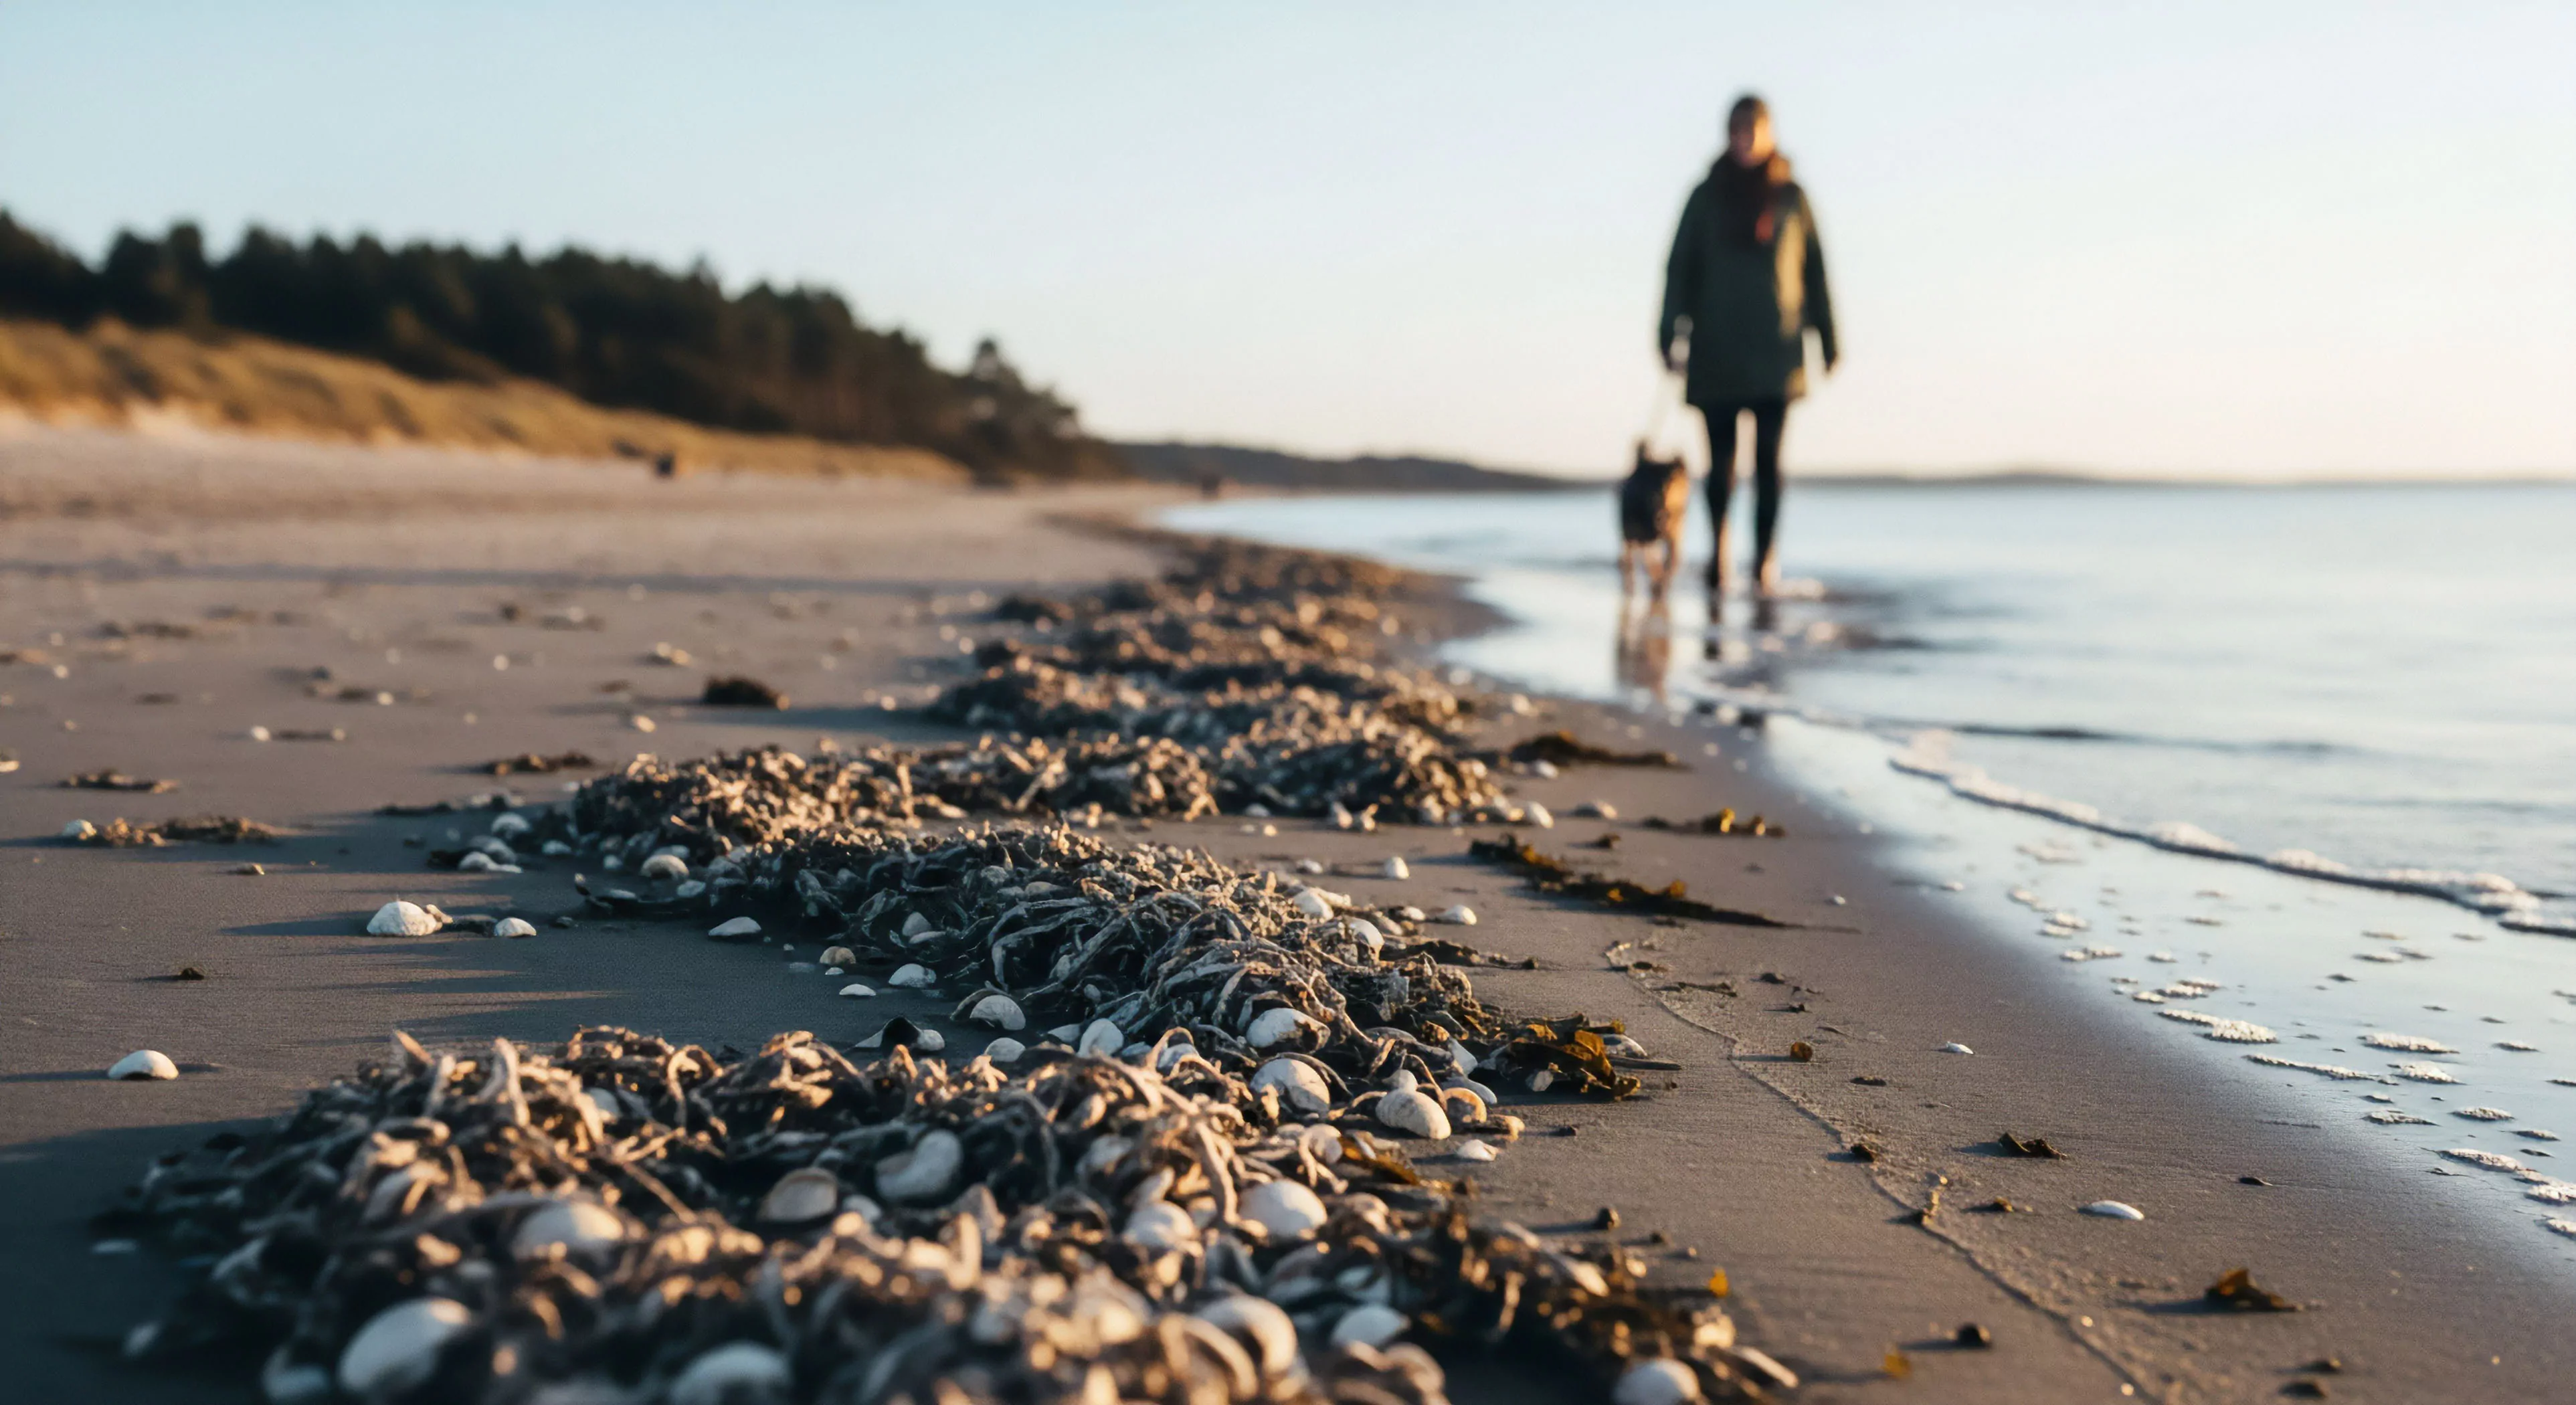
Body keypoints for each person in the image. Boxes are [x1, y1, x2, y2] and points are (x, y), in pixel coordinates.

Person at [1659, 94, 1837, 597]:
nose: (1745, 139)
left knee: (1770, 467)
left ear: (1770, 133)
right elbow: (1679, 268)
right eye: (1738, 130)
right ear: (1727, 134)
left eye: (1754, 129)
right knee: (1719, 466)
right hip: (1715, 350)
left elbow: (1816, 269)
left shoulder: (1791, 198)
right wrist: (1668, 332)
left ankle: (1763, 562)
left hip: (1776, 353)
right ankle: (1717, 552)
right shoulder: (1705, 197)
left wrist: (1829, 337)